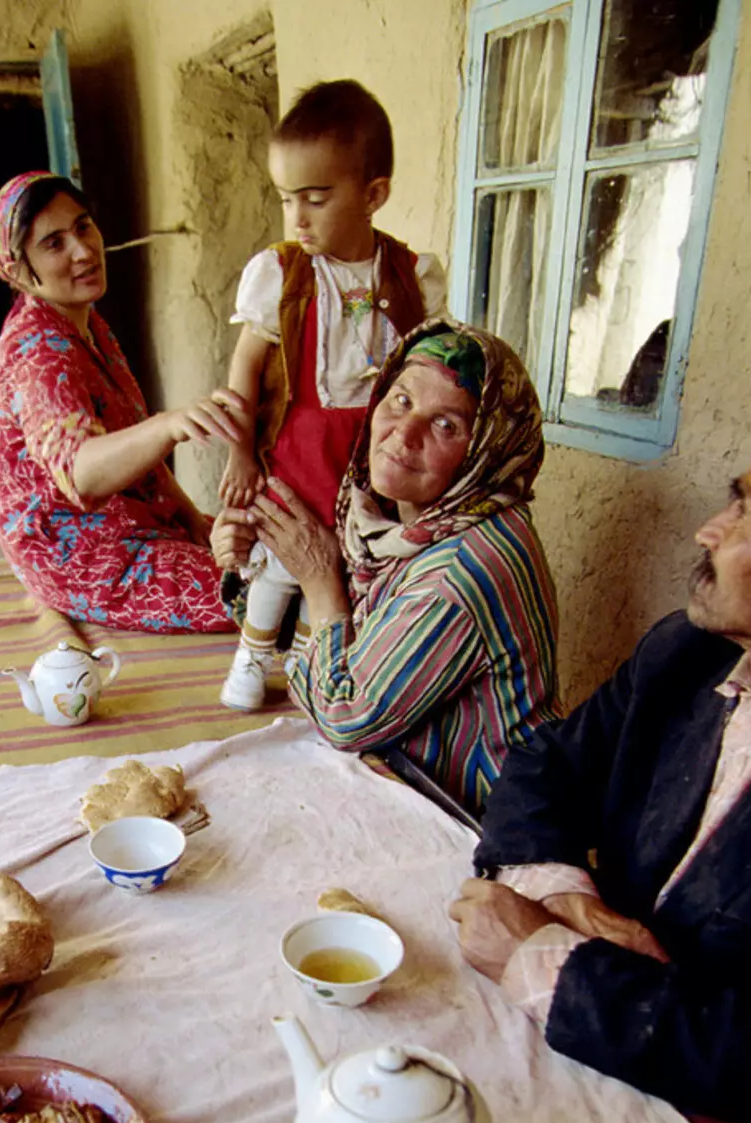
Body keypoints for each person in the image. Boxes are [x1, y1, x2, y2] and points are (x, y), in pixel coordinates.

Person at [450, 362, 751, 1123]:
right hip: (593, 1070)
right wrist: (568, 896)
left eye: (743, 512)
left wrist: (543, 956)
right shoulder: (687, 656)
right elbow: (544, 766)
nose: (709, 529)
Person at [211, 316, 559, 817]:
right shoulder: (396, 521)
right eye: (401, 400)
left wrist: (317, 577)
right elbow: (328, 637)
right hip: (407, 778)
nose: (405, 433)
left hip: (478, 823)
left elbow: (345, 716)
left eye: (446, 425)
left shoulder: (459, 570)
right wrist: (256, 560)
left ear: (485, 450)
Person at [217, 80, 446, 710]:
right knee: (284, 554)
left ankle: (307, 666)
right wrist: (239, 453)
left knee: (340, 564)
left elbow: (424, 372)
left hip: (367, 454)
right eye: (288, 199)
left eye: (316, 199)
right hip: (298, 446)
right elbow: (243, 369)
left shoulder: (409, 276)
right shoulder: (282, 275)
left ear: (373, 195)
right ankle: (250, 656)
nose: (298, 218)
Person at [0, 172, 245, 632]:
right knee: (260, 597)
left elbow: (141, 459)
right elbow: (82, 475)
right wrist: (168, 426)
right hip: (80, 556)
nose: (83, 251)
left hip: (128, 526)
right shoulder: (39, 353)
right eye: (54, 244)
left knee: (258, 549)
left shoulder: (88, 328)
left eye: (83, 227)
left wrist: (194, 523)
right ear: (20, 269)